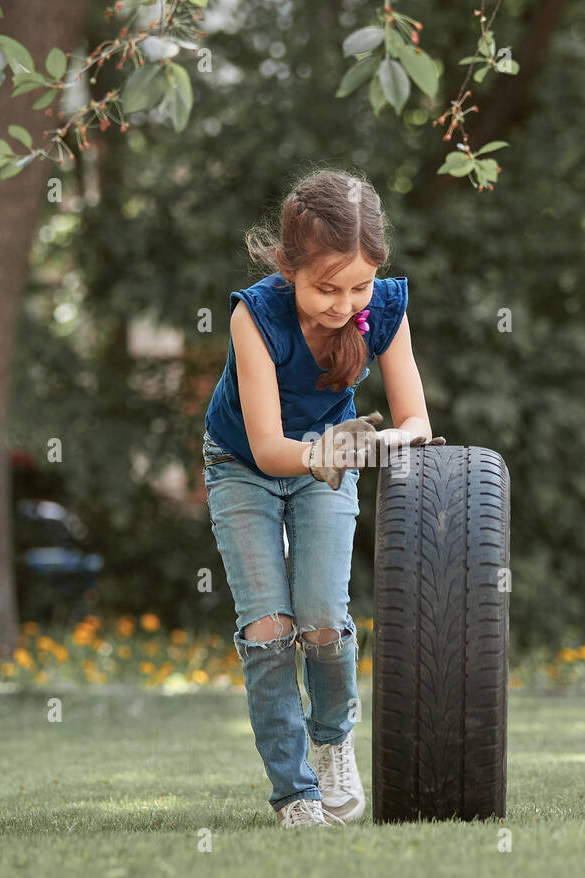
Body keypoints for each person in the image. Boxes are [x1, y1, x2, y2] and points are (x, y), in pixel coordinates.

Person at [202, 167, 444, 829]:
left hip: (331, 463)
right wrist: (322, 452)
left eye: (358, 286)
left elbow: (417, 420)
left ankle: (333, 739)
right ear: (288, 267)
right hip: (246, 464)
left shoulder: (384, 310)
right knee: (268, 628)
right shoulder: (254, 317)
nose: (343, 304)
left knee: (319, 620)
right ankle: (295, 796)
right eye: (325, 288)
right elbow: (266, 447)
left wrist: (382, 444)